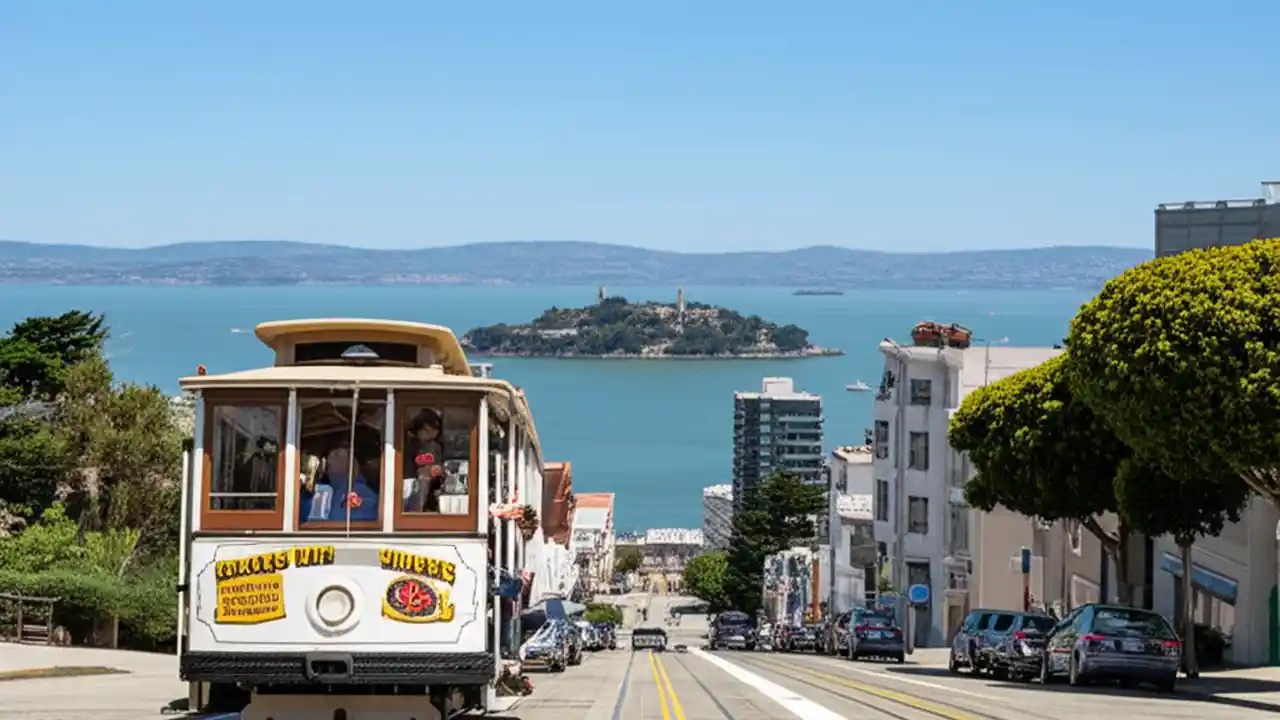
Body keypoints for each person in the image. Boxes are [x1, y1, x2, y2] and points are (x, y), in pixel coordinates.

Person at [308, 444, 379, 522]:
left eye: (329, 466)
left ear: (349, 464)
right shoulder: (326, 493)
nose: (327, 471)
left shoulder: (362, 493)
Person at [404, 408, 445, 512]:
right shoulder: (409, 445)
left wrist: (436, 471)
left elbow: (440, 469)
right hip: (409, 489)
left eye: (435, 431)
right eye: (426, 431)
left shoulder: (436, 447)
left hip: (432, 493)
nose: (430, 435)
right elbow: (406, 471)